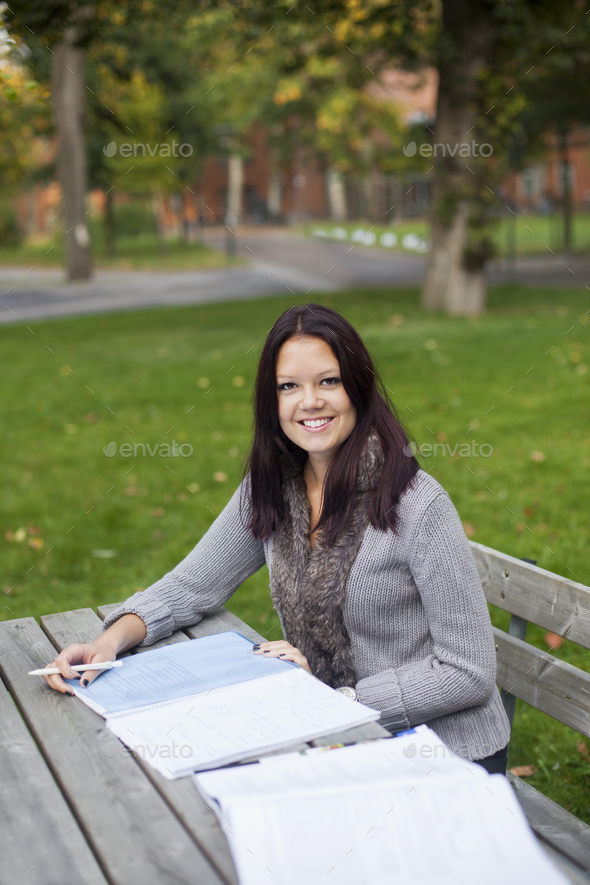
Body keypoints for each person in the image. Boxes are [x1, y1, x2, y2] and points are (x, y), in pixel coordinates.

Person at [45, 303, 511, 774]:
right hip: (331, 733)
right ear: (273, 401)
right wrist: (110, 642)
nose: (309, 401)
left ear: (359, 386)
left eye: (328, 381)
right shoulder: (274, 486)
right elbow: (190, 587)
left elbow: (467, 672)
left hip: (442, 752)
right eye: (289, 386)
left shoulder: (416, 504)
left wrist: (333, 700)